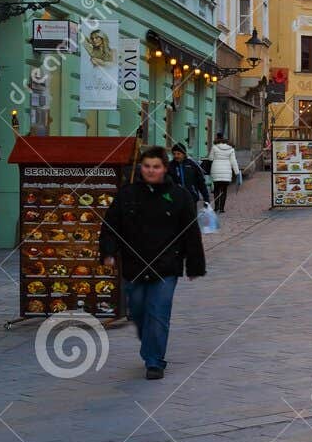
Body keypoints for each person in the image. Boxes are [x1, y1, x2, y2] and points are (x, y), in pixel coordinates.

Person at [98, 146, 206, 379]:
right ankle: (150, 341)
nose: (150, 170)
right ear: (141, 168)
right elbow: (110, 226)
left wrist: (194, 264)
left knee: (158, 311)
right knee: (137, 311)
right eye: (146, 166)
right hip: (134, 264)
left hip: (166, 266)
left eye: (156, 166)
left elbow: (190, 232)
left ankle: (154, 361)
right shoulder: (127, 194)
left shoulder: (179, 196)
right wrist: (108, 252)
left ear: (164, 169)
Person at [208, 138, 241, 213]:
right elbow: (233, 161)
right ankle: (222, 208)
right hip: (226, 172)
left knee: (216, 189)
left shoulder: (214, 147)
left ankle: (216, 208)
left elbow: (210, 158)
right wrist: (237, 172)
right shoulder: (231, 149)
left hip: (216, 170)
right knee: (224, 190)